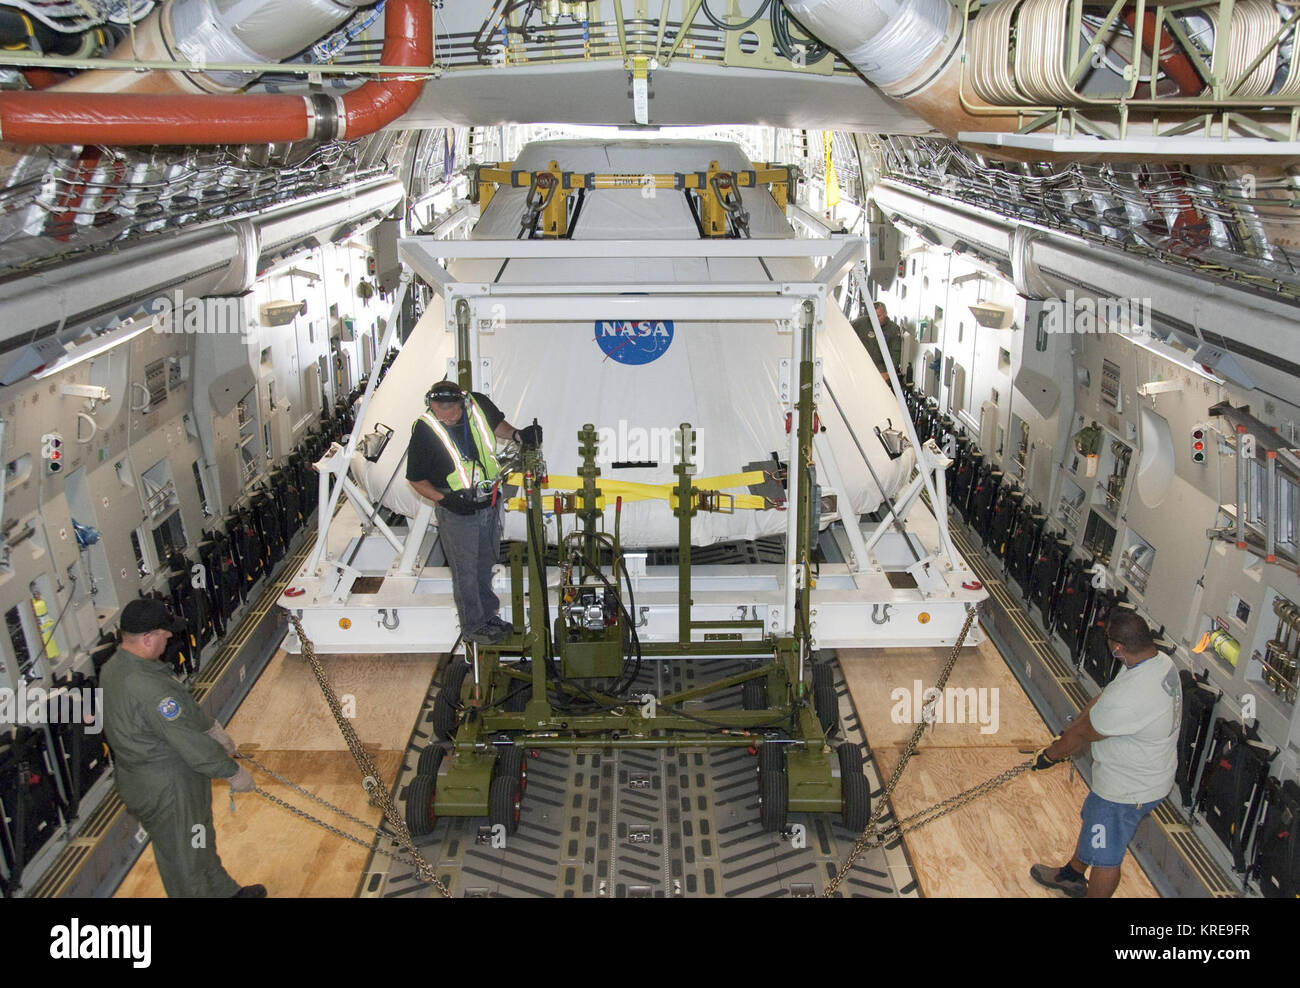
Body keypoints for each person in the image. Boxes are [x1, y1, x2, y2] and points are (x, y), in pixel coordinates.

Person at [101, 597, 264, 897]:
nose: (169, 639)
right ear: (148, 638)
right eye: (165, 635)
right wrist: (232, 771)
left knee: (199, 837)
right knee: (185, 861)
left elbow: (178, 713)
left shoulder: (116, 668)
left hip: (165, 778)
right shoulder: (146, 685)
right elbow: (187, 743)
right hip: (167, 786)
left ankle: (223, 891)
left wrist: (208, 727)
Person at [1029, 610, 1181, 898]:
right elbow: (1104, 699)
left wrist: (1050, 756)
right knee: (1094, 822)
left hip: (1127, 790)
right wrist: (1072, 729)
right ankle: (1071, 874)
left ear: (1117, 647)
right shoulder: (1156, 662)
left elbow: (1086, 732)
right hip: (1147, 773)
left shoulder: (1132, 699)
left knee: (1105, 856)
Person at [406, 379, 542, 645]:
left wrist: (518, 435)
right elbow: (416, 479)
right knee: (464, 570)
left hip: (488, 503)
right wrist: (444, 500)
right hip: (457, 511)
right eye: (438, 412)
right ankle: (473, 626)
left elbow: (495, 424)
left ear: (462, 402)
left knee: (485, 563)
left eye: (451, 412)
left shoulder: (478, 404)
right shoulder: (425, 430)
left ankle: (488, 616)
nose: (445, 418)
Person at [851, 301, 905, 382]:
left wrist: (888, 373)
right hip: (860, 368)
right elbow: (845, 331)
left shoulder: (893, 330)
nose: (875, 319)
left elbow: (895, 355)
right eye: (872, 316)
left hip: (881, 372)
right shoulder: (860, 323)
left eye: (878, 316)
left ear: (886, 314)